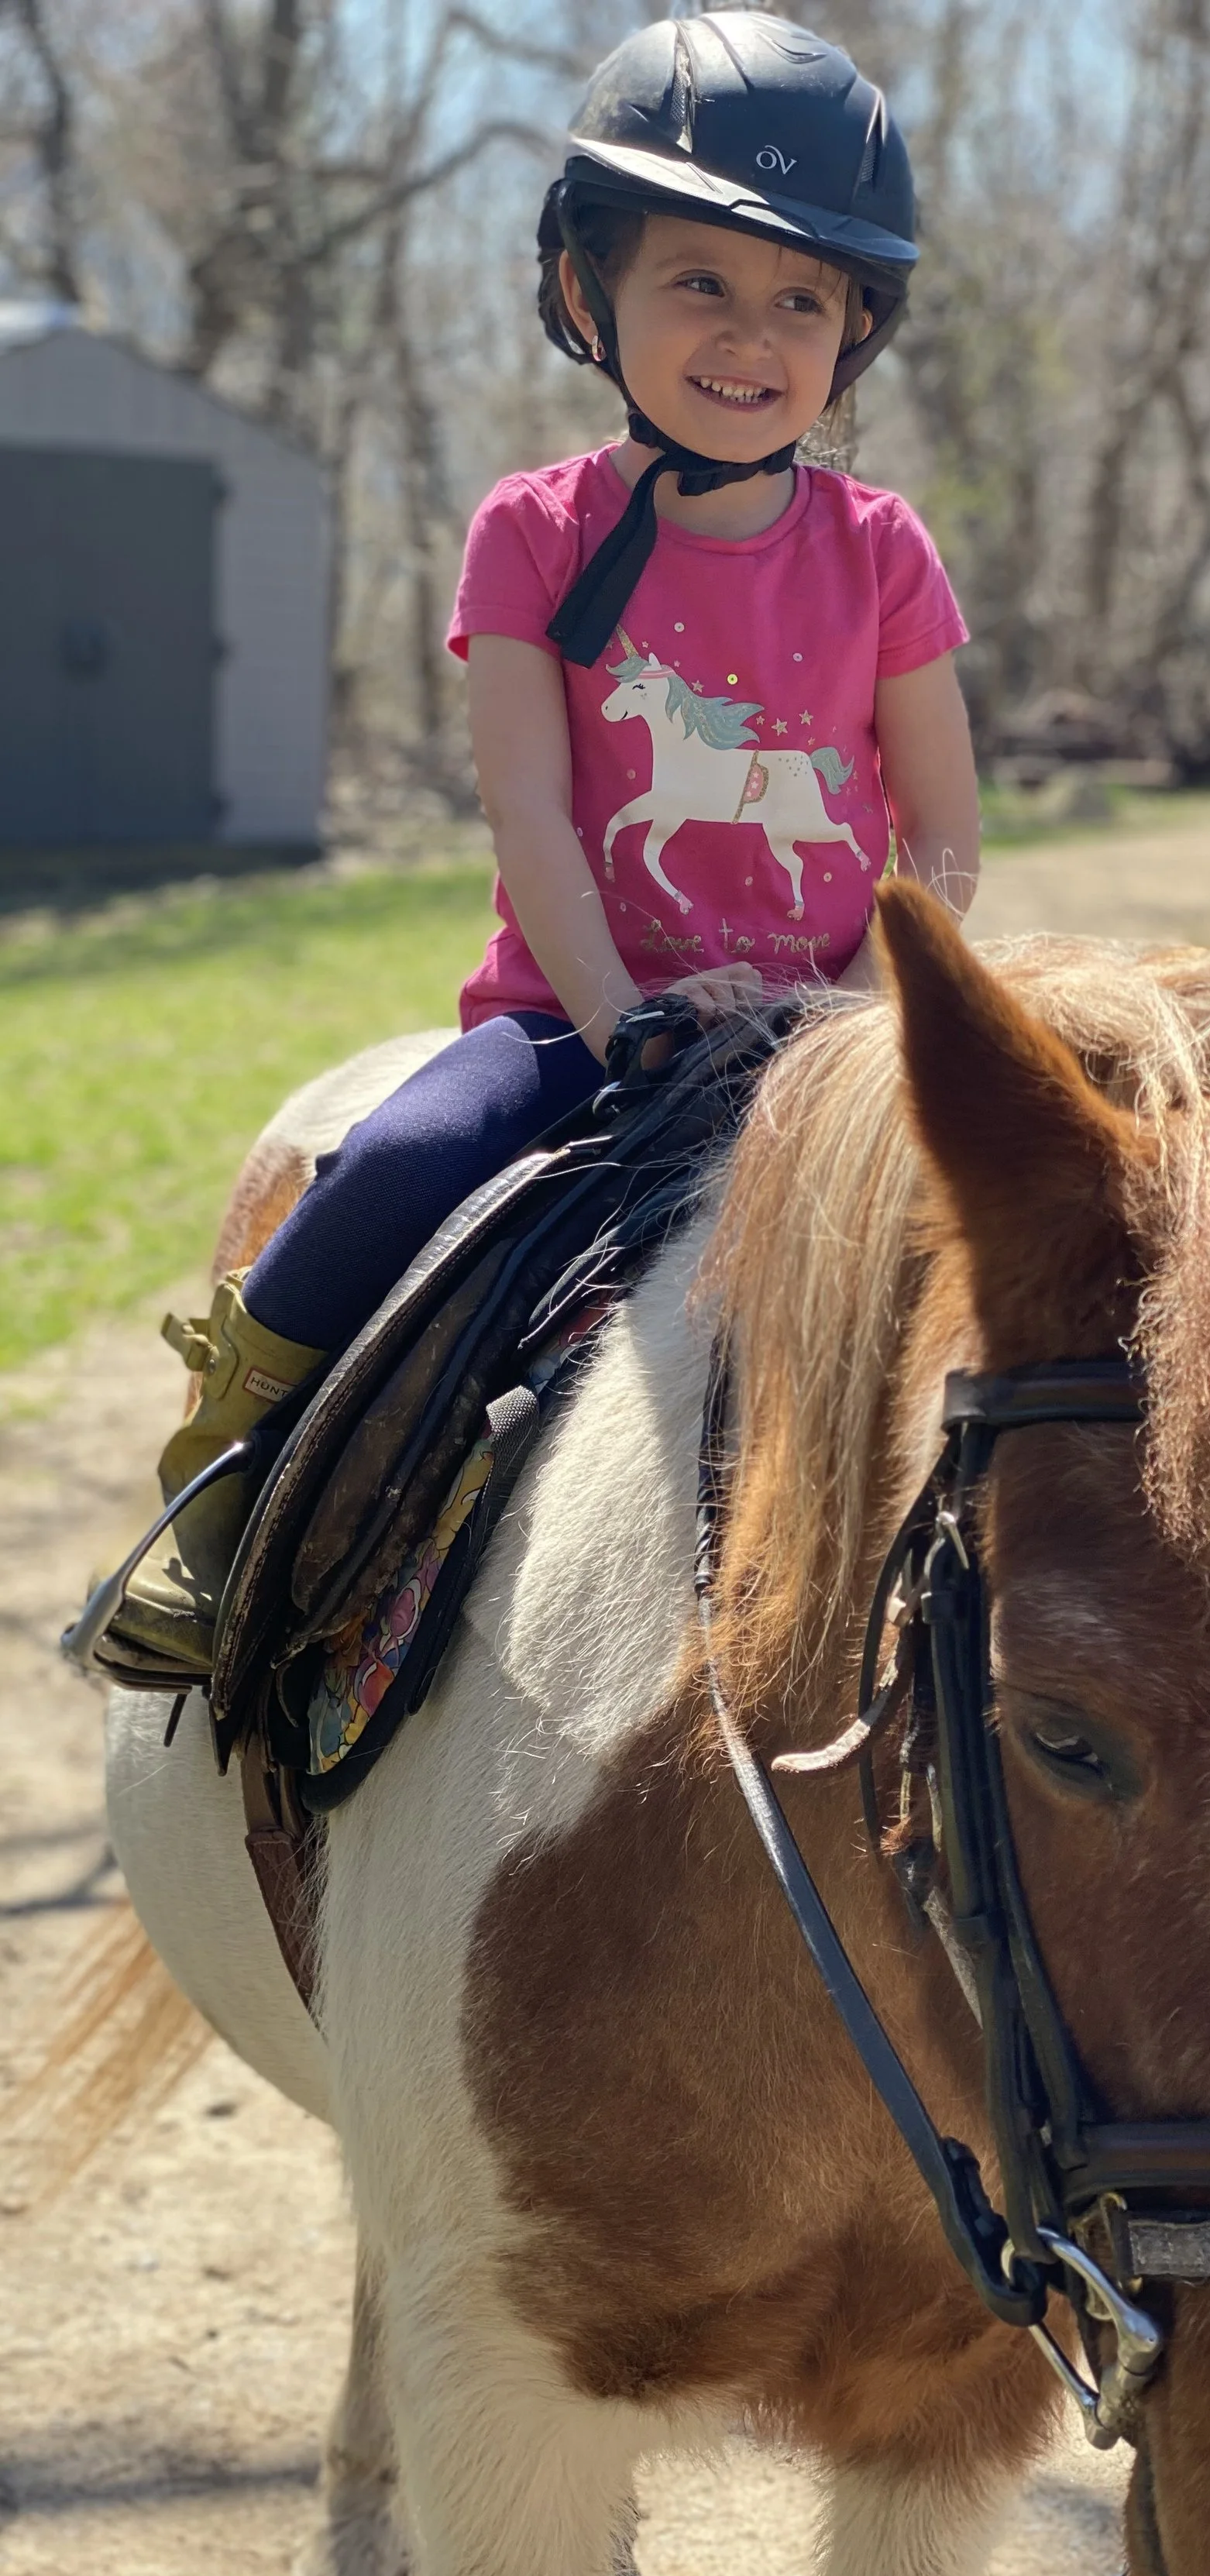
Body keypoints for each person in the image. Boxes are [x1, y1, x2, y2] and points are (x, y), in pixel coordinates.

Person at [104, 11, 980, 1680]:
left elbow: (937, 836)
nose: (750, 334)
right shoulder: (531, 532)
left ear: (852, 330)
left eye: (798, 297)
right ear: (590, 294)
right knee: (399, 1162)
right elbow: (531, 813)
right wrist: (620, 1027)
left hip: (828, 1034)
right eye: (698, 282)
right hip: (577, 1022)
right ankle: (226, 1492)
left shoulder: (881, 553)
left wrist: (858, 1026)